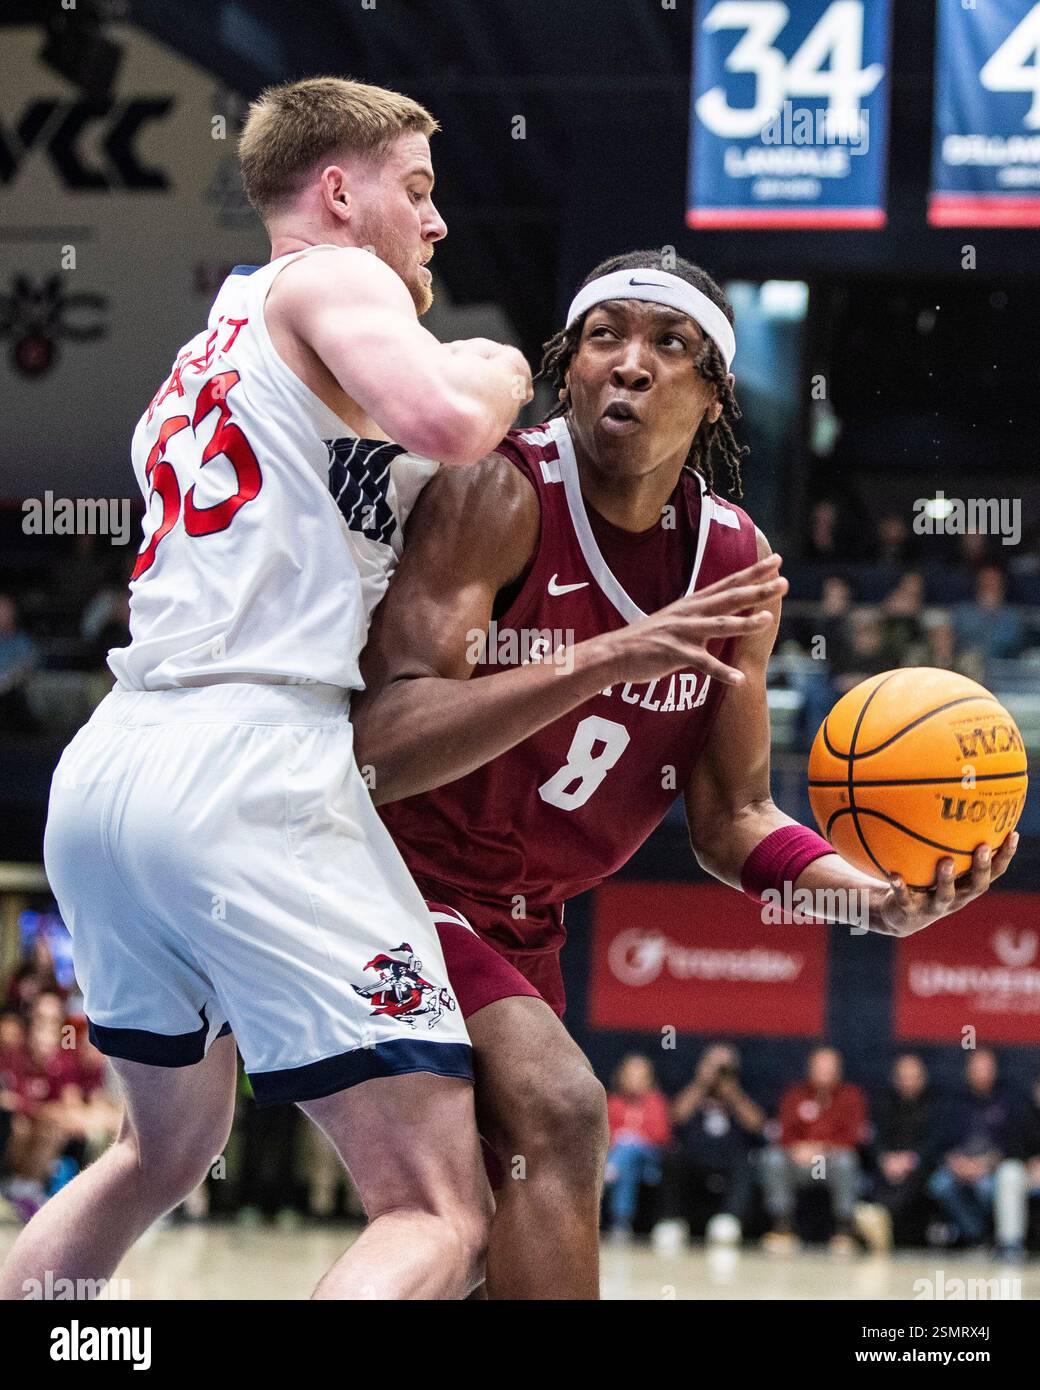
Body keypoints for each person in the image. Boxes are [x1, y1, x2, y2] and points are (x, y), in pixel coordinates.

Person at [351, 249, 1016, 1297]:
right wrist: (611, 655)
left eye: (670, 346)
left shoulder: (734, 564)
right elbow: (379, 745)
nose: (629, 364)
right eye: (603, 337)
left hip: (526, 927)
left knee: (478, 1236)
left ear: (712, 399)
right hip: (391, 888)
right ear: (565, 369)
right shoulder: (497, 491)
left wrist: (872, 902)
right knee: (564, 1113)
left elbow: (731, 818)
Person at [1, 75, 533, 1303]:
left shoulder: (205, 352)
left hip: (112, 766)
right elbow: (449, 419)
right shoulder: (326, 277)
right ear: (336, 194)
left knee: (157, 1151)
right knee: (438, 1208)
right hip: (251, 755)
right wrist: (495, 366)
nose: (437, 223)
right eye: (418, 190)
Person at [651, 1044, 764, 1253]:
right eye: (714, 1066)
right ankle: (672, 1220)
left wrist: (733, 1093)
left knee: (747, 1162)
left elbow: (757, 1124)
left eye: (724, 1068)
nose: (718, 1073)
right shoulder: (694, 1089)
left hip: (730, 1160)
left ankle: (730, 1221)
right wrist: (701, 1084)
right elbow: (676, 1117)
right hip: (695, 1159)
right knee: (671, 1157)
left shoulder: (743, 1090)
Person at [760, 1047, 868, 1255]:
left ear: (838, 1071)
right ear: (810, 1069)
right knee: (772, 1158)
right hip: (799, 1163)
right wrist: (796, 1149)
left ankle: (845, 1231)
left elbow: (854, 1136)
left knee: (846, 1160)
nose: (825, 1074)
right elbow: (782, 1132)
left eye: (830, 1069)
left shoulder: (850, 1096)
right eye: (820, 1069)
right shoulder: (795, 1095)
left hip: (828, 1163)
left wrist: (820, 1147)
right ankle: (782, 1228)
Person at [928, 1048, 1028, 1255]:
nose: (980, 1073)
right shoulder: (954, 1101)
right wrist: (955, 1162)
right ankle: (977, 1237)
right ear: (968, 1070)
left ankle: (997, 1239)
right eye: (976, 1068)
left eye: (985, 1068)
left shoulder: (1009, 1101)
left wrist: (985, 1164)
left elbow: (1014, 1144)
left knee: (987, 1188)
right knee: (940, 1185)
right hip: (957, 1167)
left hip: (992, 1169)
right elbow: (939, 1140)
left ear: (994, 1070)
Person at [867, 1053, 938, 1249]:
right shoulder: (884, 1104)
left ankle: (881, 1220)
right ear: (895, 1079)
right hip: (888, 1164)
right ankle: (877, 1223)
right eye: (903, 1077)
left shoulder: (935, 1106)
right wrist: (885, 1159)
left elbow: (936, 1142)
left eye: (913, 1077)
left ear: (923, 1078)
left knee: (919, 1181)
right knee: (880, 1179)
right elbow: (873, 1137)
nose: (908, 1082)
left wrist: (911, 1160)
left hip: (920, 1166)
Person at [603, 1054, 670, 1238]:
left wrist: (634, 1137)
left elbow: (661, 1137)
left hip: (649, 1161)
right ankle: (621, 1221)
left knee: (629, 1148)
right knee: (627, 1167)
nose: (635, 1081)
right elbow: (604, 1136)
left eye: (641, 1077)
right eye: (630, 1075)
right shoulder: (613, 1102)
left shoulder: (655, 1103)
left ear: (649, 1080)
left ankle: (609, 1173)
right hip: (622, 1159)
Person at [953, 564, 1025, 663]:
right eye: (985, 579)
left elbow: (1014, 643)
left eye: (994, 580)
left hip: (1004, 666)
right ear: (977, 583)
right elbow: (958, 641)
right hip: (968, 665)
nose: (989, 584)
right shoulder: (962, 612)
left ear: (1002, 584)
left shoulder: (1012, 615)